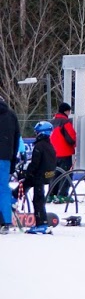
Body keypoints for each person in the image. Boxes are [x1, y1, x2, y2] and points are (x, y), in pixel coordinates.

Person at [22, 121, 59, 233]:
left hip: (38, 176)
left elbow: (35, 163)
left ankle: (41, 223)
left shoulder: (39, 146)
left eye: (37, 132)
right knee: (39, 198)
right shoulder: (49, 146)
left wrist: (27, 173)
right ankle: (41, 223)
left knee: (37, 200)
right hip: (46, 175)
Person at [0, 94, 19, 234]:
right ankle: (5, 220)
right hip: (5, 157)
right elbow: (16, 139)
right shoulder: (11, 115)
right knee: (3, 188)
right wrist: (13, 160)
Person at [48, 102, 77, 171]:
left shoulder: (51, 122)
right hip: (64, 153)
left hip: (52, 154)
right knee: (65, 176)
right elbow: (71, 138)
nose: (69, 113)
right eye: (69, 111)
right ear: (66, 111)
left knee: (54, 177)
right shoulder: (66, 122)